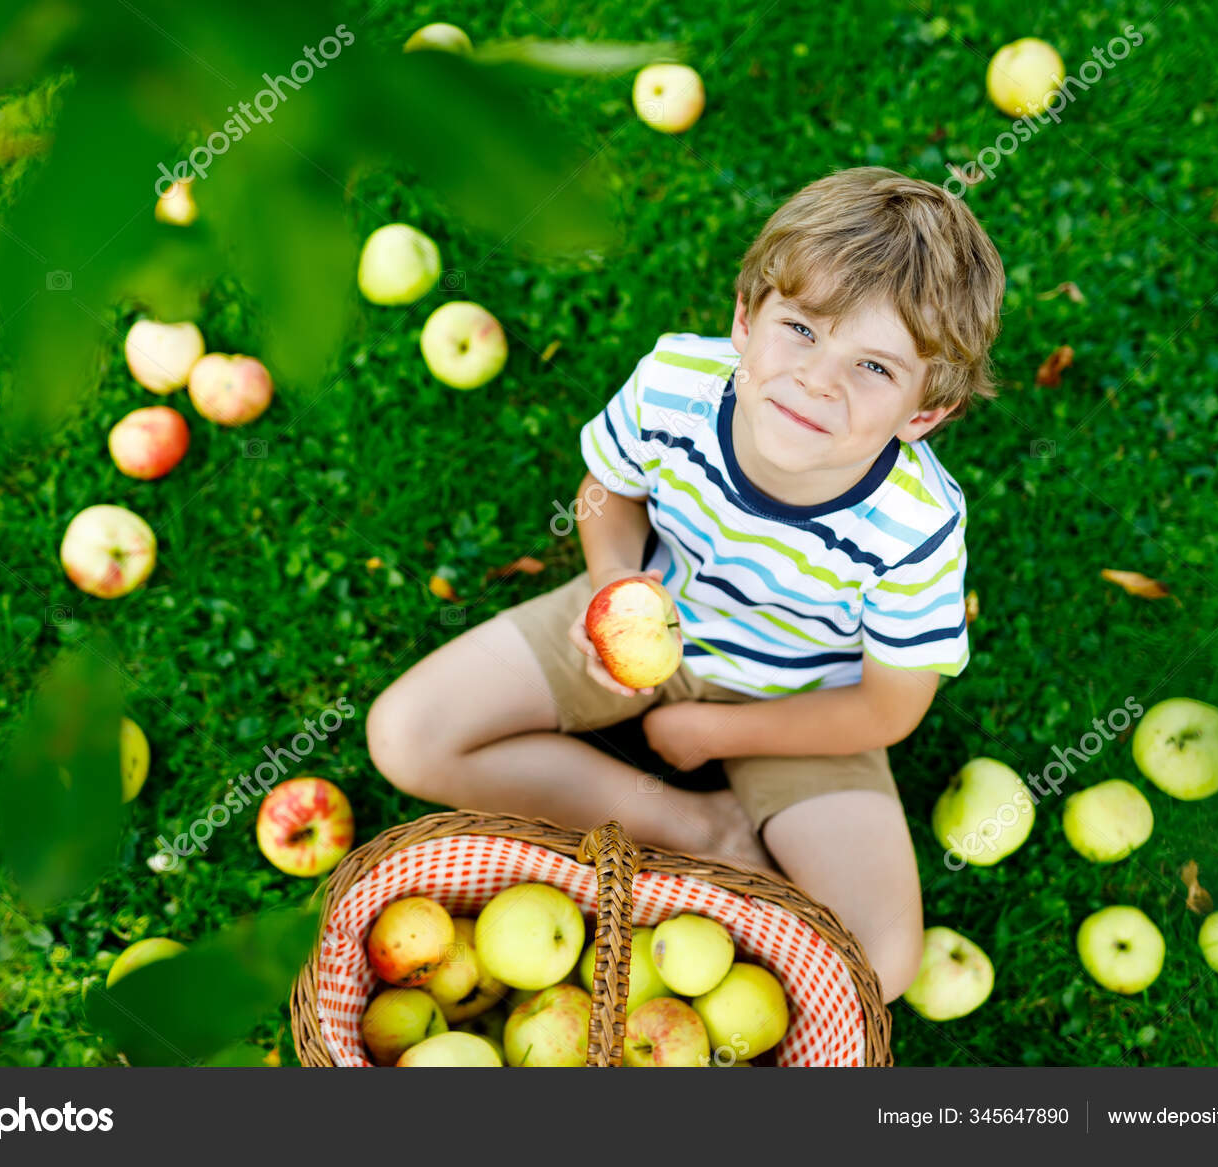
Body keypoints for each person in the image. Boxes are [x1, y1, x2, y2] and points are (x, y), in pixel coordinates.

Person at [368, 167, 1006, 1002]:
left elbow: (888, 710)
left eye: (875, 369)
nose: (818, 381)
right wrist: (613, 585)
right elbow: (606, 488)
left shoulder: (915, 527)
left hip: (801, 699)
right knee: (407, 734)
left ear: (923, 414)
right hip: (653, 613)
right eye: (802, 330)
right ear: (746, 318)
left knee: (877, 967)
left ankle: (712, 798)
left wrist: (710, 732)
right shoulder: (677, 383)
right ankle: (696, 827)